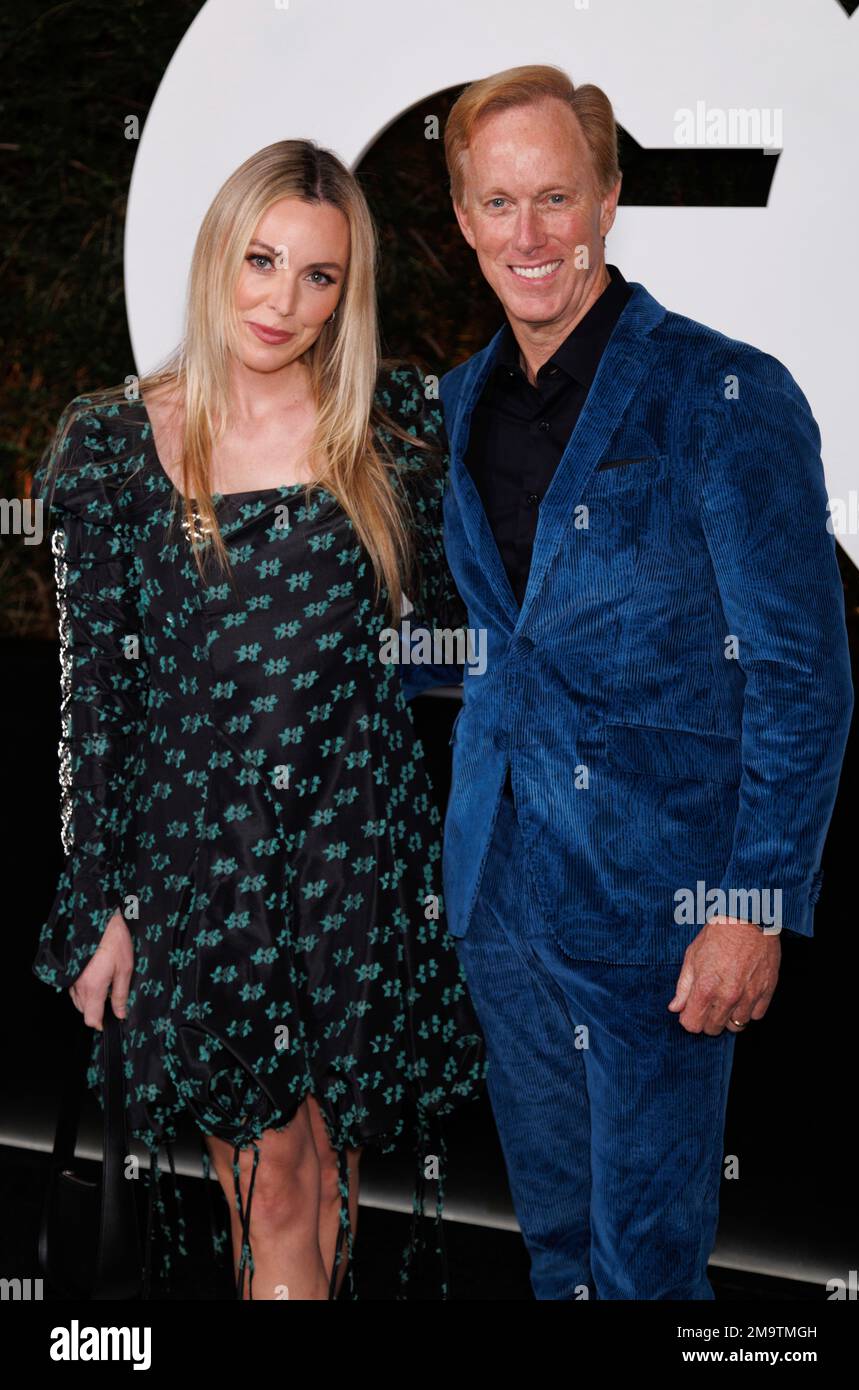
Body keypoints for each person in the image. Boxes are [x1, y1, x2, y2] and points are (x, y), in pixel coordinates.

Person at [31, 138, 485, 1301]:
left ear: (349, 293)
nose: (284, 301)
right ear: (217, 258)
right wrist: (100, 900)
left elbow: (471, 623)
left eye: (320, 276)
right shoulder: (113, 446)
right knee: (269, 1179)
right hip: (205, 870)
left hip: (357, 857)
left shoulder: (389, 435)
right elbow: (96, 699)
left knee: (323, 1177)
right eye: (262, 260)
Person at [436, 65, 854, 1299]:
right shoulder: (462, 402)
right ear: (463, 218)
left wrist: (755, 901)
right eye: (499, 203)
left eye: (557, 197)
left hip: (665, 913)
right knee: (557, 1250)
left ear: (611, 200)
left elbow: (801, 673)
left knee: (649, 1268)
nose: (530, 235)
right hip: (502, 894)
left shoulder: (725, 394)